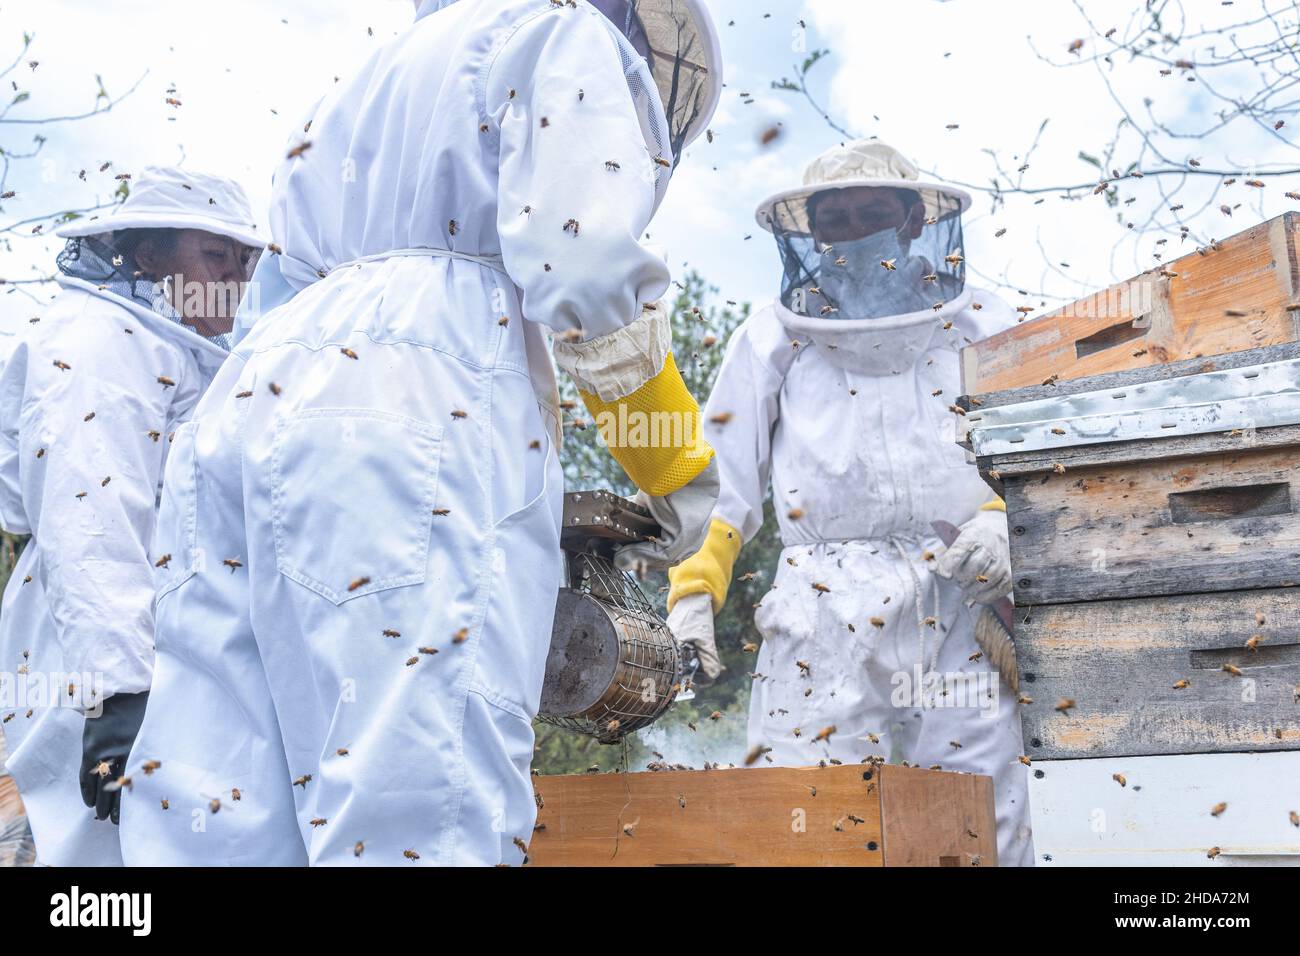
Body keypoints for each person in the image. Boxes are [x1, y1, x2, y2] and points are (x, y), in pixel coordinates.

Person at [120, 0, 722, 866]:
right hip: (422, 394)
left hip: (251, 402)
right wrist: (675, 468)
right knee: (420, 811)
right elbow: (582, 267)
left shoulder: (360, 86)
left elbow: (274, 294)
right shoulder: (568, 34)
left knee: (215, 809)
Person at [667, 140, 1035, 866]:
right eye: (836, 218)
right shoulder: (772, 335)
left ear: (910, 222)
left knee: (980, 816)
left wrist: (1002, 524)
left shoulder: (984, 320)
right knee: (805, 810)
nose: (855, 230)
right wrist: (691, 592)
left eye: (873, 213)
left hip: (961, 591)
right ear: (811, 235)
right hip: (822, 599)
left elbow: (1041, 442)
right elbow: (722, 478)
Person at [0, 166, 262, 866]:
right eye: (215, 256)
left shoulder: (179, 348)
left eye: (245, 260)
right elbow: (88, 517)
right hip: (89, 652)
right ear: (147, 256)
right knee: (86, 866)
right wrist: (113, 698)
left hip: (150, 648)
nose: (233, 277)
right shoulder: (98, 341)